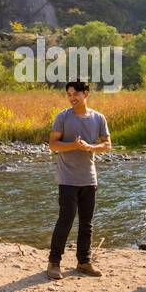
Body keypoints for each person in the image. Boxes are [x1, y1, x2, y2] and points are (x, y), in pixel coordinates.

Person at [46, 80, 111, 279]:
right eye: (69, 94)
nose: (72, 98)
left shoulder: (98, 118)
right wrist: (74, 146)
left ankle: (84, 262)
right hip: (67, 179)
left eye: (75, 94)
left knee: (87, 223)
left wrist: (90, 148)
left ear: (86, 94)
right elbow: (53, 145)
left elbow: (107, 145)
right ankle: (54, 262)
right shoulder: (62, 117)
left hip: (89, 178)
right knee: (65, 220)